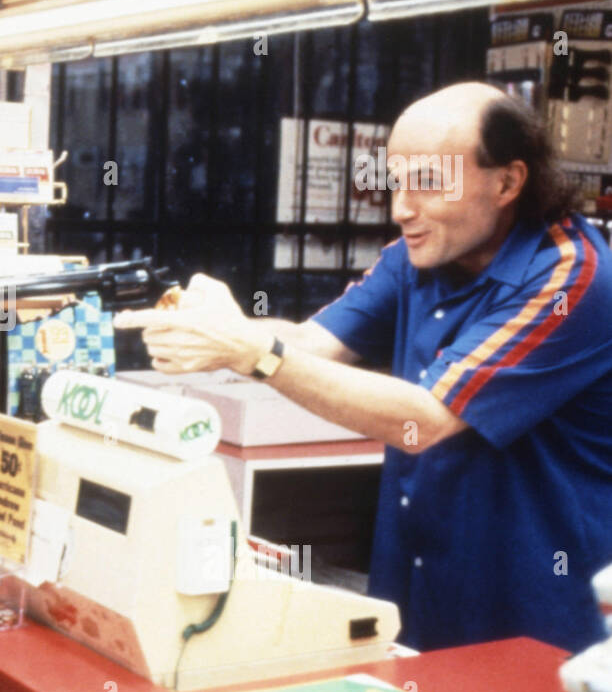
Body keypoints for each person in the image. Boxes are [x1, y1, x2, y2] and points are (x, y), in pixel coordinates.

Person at [116, 82, 612, 654]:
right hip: (419, 597)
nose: (402, 208)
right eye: (396, 181)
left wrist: (250, 350)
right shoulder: (416, 256)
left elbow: (427, 420)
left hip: (537, 619)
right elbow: (310, 343)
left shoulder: (568, 278)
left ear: (507, 181)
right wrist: (226, 325)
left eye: (428, 182)